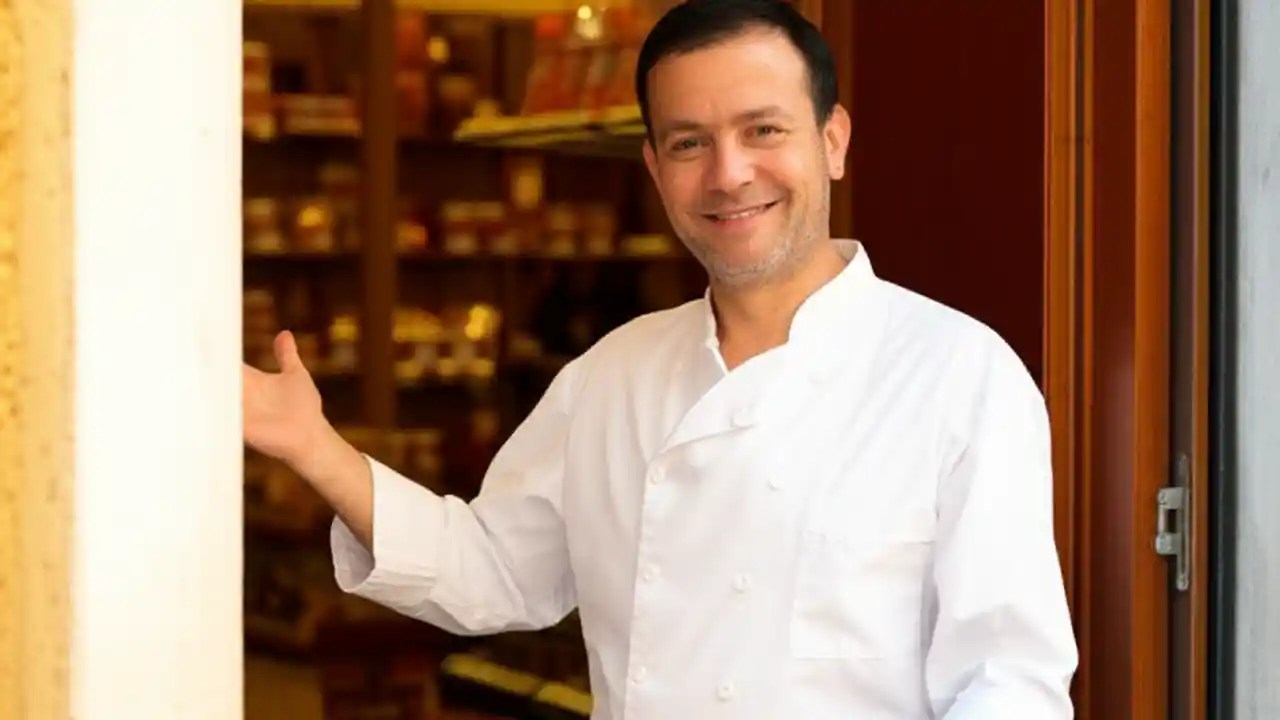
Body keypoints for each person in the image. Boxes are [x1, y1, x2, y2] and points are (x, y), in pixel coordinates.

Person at [243, 0, 1078, 717]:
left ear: (833, 140)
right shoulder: (613, 375)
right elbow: (493, 573)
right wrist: (316, 448)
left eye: (764, 130)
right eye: (688, 143)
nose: (728, 173)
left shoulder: (957, 374)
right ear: (654, 166)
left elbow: (1007, 684)